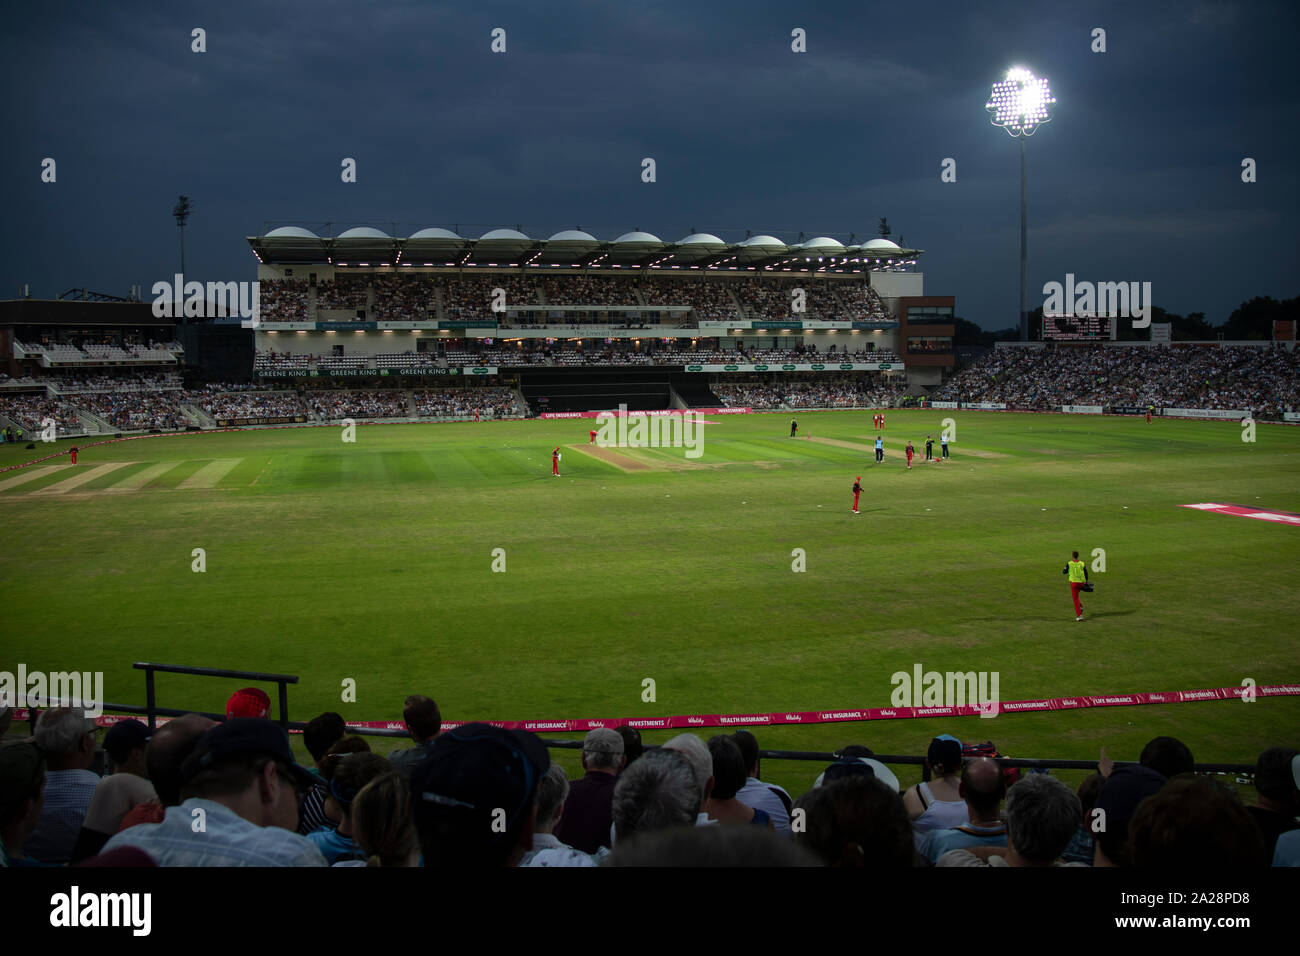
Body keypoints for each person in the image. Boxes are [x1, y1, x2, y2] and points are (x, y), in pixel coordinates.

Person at [1064, 550, 1089, 621]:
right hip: (1081, 583)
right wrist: (1086, 581)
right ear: (1078, 556)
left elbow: (1064, 572)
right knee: (1077, 596)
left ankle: (1080, 616)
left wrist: (1066, 569)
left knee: (1075, 598)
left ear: (1072, 556)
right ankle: (1080, 606)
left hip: (1074, 584)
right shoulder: (1082, 563)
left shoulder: (1069, 563)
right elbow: (1086, 573)